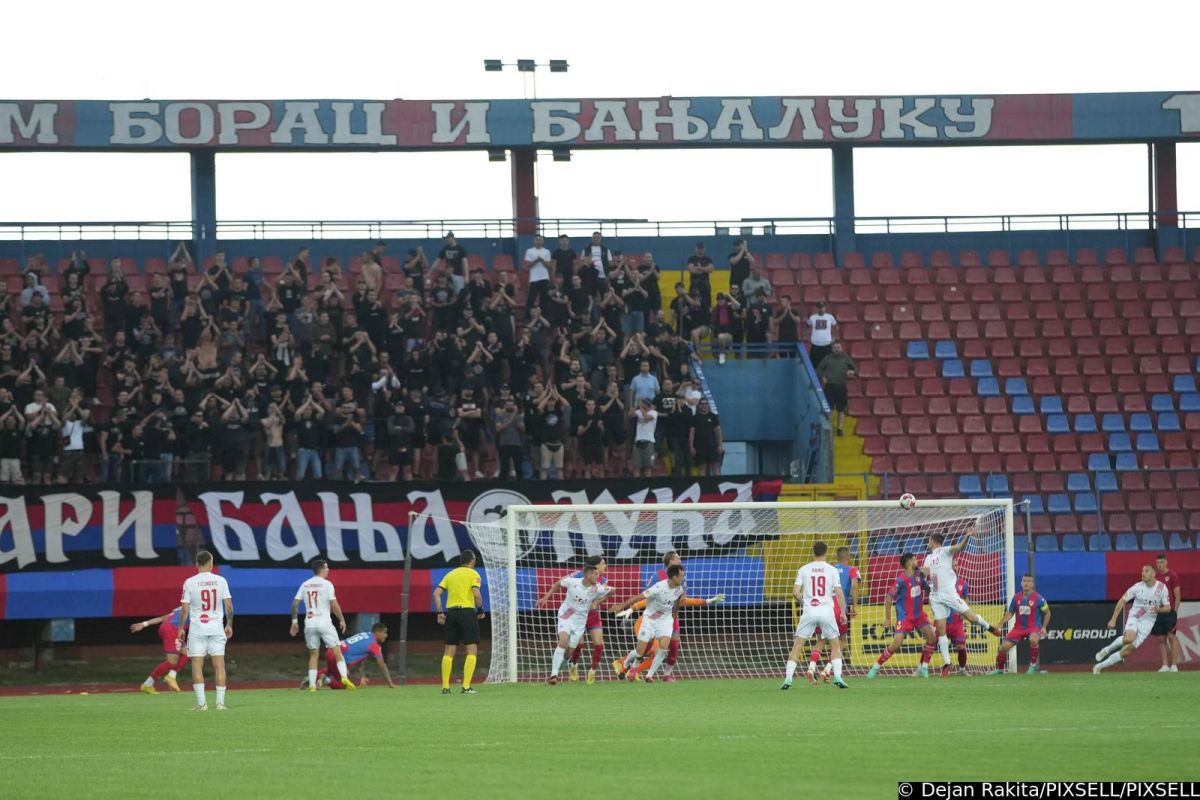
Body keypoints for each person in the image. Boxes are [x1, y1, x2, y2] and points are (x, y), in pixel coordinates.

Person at [620, 551, 725, 682]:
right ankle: (630, 667)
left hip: (668, 617)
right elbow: (648, 597)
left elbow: (681, 599)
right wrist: (632, 607)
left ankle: (663, 674)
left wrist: (707, 601)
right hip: (652, 617)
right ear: (670, 562)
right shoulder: (658, 577)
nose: (680, 561)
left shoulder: (682, 580)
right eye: (677, 558)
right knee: (645, 649)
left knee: (672, 646)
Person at [923, 527, 1001, 670]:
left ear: (933, 541)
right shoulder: (928, 558)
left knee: (971, 618)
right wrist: (915, 569)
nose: (927, 543)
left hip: (949, 593)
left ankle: (989, 627)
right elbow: (926, 572)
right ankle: (947, 663)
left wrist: (967, 536)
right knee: (940, 629)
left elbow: (960, 547)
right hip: (935, 595)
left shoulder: (945, 551)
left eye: (929, 540)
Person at [782, 541, 848, 689]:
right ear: (826, 553)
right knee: (835, 645)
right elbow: (838, 593)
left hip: (810, 611)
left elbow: (795, 592)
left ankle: (788, 679)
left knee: (797, 646)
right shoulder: (832, 570)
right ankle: (837, 676)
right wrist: (843, 612)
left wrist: (804, 601)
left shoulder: (804, 569)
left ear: (813, 552)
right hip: (826, 611)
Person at [537, 563, 613, 685]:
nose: (598, 577)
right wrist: (546, 597)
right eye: (595, 575)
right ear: (588, 575)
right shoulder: (572, 582)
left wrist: (597, 602)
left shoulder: (597, 588)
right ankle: (554, 675)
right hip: (567, 615)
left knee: (568, 654)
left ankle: (559, 671)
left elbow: (612, 591)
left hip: (580, 622)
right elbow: (558, 584)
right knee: (563, 640)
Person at [611, 564, 687, 682]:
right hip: (650, 620)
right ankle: (625, 663)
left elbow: (677, 600)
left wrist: (675, 613)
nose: (683, 578)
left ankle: (649, 675)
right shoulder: (658, 588)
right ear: (673, 577)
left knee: (663, 648)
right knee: (640, 652)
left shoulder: (679, 588)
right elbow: (638, 597)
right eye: (681, 576)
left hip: (665, 620)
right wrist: (622, 606)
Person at [178, 550, 233, 711]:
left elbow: (184, 610)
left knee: (196, 665)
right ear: (211, 563)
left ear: (196, 564)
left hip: (197, 629)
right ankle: (220, 704)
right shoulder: (221, 580)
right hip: (216, 628)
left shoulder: (189, 582)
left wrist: (181, 628)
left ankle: (202, 704)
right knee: (219, 666)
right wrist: (229, 624)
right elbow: (228, 606)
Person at [867, 552, 936, 679]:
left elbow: (929, 589)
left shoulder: (920, 575)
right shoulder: (900, 580)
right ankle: (876, 666)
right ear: (909, 562)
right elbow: (888, 599)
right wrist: (888, 618)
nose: (917, 561)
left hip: (919, 615)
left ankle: (924, 668)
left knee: (932, 637)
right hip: (905, 617)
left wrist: (931, 577)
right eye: (914, 559)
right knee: (896, 644)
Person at [291, 559, 354, 692]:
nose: (328, 570)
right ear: (321, 569)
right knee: (337, 651)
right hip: (324, 622)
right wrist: (341, 619)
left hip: (310, 623)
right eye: (327, 568)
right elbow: (334, 604)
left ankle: (313, 685)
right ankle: (344, 677)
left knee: (313, 654)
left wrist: (294, 623)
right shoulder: (327, 584)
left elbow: (295, 604)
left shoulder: (305, 584)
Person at [1094, 565, 1171, 674]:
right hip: (1135, 617)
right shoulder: (1137, 587)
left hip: (1148, 622)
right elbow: (1122, 601)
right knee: (1128, 639)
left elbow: (1168, 608)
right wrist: (1113, 619)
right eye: (1142, 571)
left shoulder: (1162, 588)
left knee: (1126, 652)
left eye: (1146, 571)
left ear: (1153, 574)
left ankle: (1099, 666)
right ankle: (1107, 650)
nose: (1143, 573)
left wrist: (1157, 609)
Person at [433, 549, 485, 694]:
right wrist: (480, 610)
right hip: (467, 612)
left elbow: (436, 594)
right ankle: (466, 686)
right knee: (471, 649)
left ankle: (445, 687)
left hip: (451, 613)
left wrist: (440, 613)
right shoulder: (473, 574)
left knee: (449, 650)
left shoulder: (451, 574)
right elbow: (476, 594)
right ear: (472, 561)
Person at [810, 546, 861, 681]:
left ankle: (812, 667)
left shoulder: (829, 569)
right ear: (848, 557)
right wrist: (855, 606)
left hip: (823, 607)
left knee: (821, 639)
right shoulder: (852, 570)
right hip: (839, 607)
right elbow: (855, 587)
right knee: (842, 640)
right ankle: (828, 669)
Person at [991, 574, 1051, 675]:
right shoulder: (1016, 597)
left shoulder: (1039, 598)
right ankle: (1000, 670)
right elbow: (1010, 613)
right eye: (1024, 581)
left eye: (1028, 581)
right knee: (1003, 648)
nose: (1026, 583)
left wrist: (1044, 627)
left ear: (1032, 584)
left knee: (1033, 639)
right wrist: (1000, 624)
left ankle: (1032, 666)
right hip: (1018, 628)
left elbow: (1048, 612)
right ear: (1021, 583)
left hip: (1033, 628)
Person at [566, 555, 609, 683]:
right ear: (595, 566)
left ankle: (592, 672)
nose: (605, 566)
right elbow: (565, 584)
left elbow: (606, 594)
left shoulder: (604, 579)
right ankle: (573, 666)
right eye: (602, 563)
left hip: (593, 615)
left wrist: (597, 602)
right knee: (579, 644)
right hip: (577, 615)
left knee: (599, 645)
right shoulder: (578, 575)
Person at [315, 623, 395, 689]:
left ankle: (312, 678)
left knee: (330, 671)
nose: (386, 635)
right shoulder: (374, 646)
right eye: (384, 633)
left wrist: (362, 676)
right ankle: (325, 679)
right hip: (339, 656)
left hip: (331, 650)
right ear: (378, 632)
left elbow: (360, 659)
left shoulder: (364, 634)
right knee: (343, 685)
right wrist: (390, 684)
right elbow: (382, 666)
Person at [130, 607, 185, 694]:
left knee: (185, 652)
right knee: (172, 662)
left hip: (167, 628)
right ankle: (148, 684)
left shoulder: (180, 609)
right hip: (172, 629)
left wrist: (144, 624)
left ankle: (171, 676)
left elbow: (161, 619)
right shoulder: (196, 608)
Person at [940, 554, 971, 677]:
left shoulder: (963, 583)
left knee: (961, 645)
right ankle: (923, 667)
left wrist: (965, 610)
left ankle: (962, 669)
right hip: (942, 620)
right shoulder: (941, 583)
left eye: (956, 565)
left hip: (957, 621)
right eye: (952, 565)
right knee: (931, 641)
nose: (955, 567)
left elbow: (966, 598)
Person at [816, 340, 856, 436]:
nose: (837, 349)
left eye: (838, 347)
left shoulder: (846, 358)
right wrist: (822, 377)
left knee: (841, 409)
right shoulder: (827, 358)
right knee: (828, 409)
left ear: (841, 348)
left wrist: (852, 372)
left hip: (841, 386)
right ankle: (828, 427)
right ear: (832, 349)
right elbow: (819, 368)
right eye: (835, 348)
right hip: (829, 386)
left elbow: (854, 368)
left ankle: (839, 429)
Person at [1153, 553, 1182, 672]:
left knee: (1171, 637)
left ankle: (1174, 665)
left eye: (1162, 562)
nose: (1160, 565)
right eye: (1158, 563)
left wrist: (1175, 611)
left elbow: (1177, 595)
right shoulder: (1154, 578)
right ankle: (1165, 665)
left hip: (1170, 611)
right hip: (1158, 612)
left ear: (1166, 562)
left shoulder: (1173, 576)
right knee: (1161, 639)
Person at [523, 234, 552, 317]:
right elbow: (527, 265)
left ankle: (544, 317)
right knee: (531, 299)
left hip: (544, 277)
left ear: (543, 241)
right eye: (537, 240)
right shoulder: (529, 251)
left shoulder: (547, 251)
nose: (538, 241)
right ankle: (528, 317)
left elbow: (549, 266)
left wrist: (542, 260)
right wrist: (536, 260)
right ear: (534, 241)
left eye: (540, 240)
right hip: (534, 278)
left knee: (544, 300)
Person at [631, 397, 658, 477]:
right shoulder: (638, 412)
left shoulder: (653, 413)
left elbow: (647, 417)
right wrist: (635, 407)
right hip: (638, 440)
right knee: (637, 466)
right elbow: (630, 415)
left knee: (648, 467)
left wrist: (641, 408)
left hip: (649, 441)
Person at [806, 301, 837, 367]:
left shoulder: (830, 317)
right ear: (817, 308)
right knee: (813, 364)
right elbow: (807, 326)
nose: (821, 309)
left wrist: (834, 337)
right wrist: (807, 336)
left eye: (822, 307)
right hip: (815, 344)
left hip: (827, 343)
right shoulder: (812, 317)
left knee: (828, 364)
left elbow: (835, 326)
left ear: (825, 308)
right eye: (819, 307)